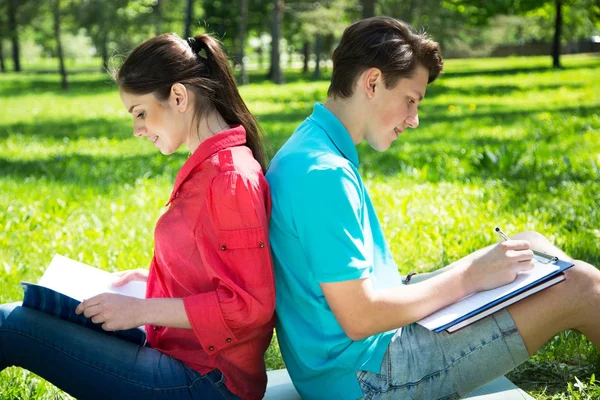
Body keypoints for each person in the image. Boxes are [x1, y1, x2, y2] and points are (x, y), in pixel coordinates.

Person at [266, 16, 600, 400]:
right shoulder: (323, 174)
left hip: (353, 358)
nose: (414, 119)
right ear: (372, 82)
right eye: (411, 100)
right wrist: (472, 277)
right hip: (366, 378)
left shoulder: (311, 144)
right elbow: (360, 318)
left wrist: (476, 275)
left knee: (529, 245)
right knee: (581, 286)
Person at [0, 32, 275, 400]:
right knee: (14, 317)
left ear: (178, 96)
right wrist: (154, 281)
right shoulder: (212, 168)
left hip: (208, 383)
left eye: (140, 113)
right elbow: (217, 272)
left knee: (8, 326)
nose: (137, 129)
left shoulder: (229, 178)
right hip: (186, 363)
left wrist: (140, 309)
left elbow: (249, 307)